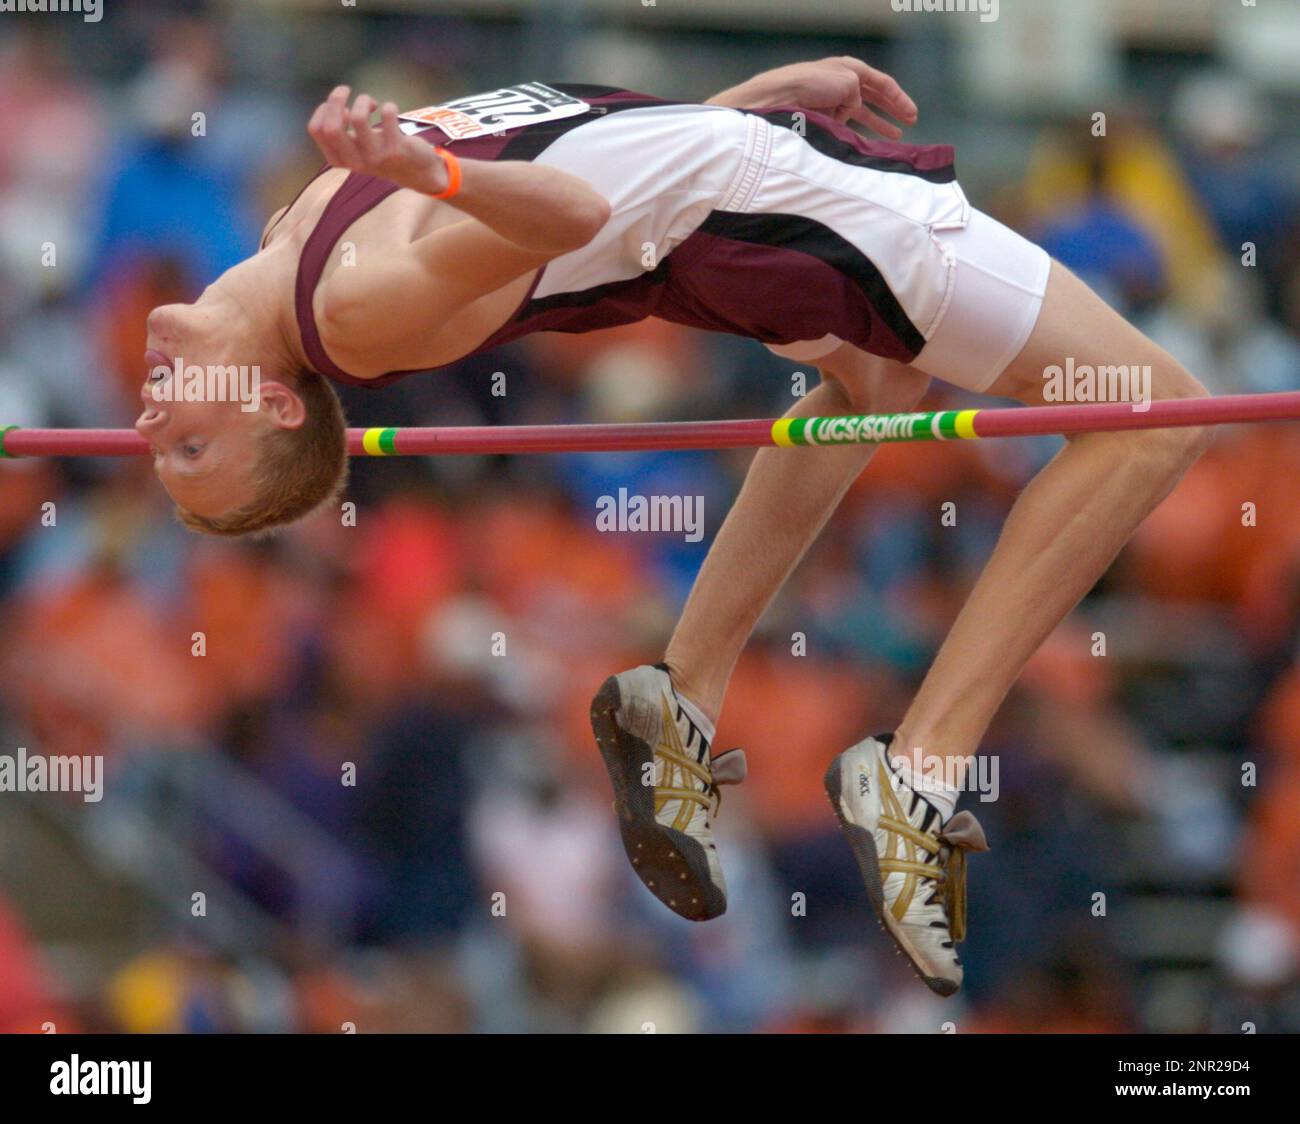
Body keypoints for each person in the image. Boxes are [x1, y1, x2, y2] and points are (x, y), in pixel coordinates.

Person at [136, 58, 1211, 994]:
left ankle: (684, 695)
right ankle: (920, 771)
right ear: (275, 405)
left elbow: (584, 146)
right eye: (189, 450)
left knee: (877, 387)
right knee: (1148, 416)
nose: (146, 424)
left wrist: (744, 102)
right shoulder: (352, 306)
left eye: (166, 451)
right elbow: (570, 213)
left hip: (728, 209)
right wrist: (434, 171)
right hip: (756, 210)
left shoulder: (295, 234)